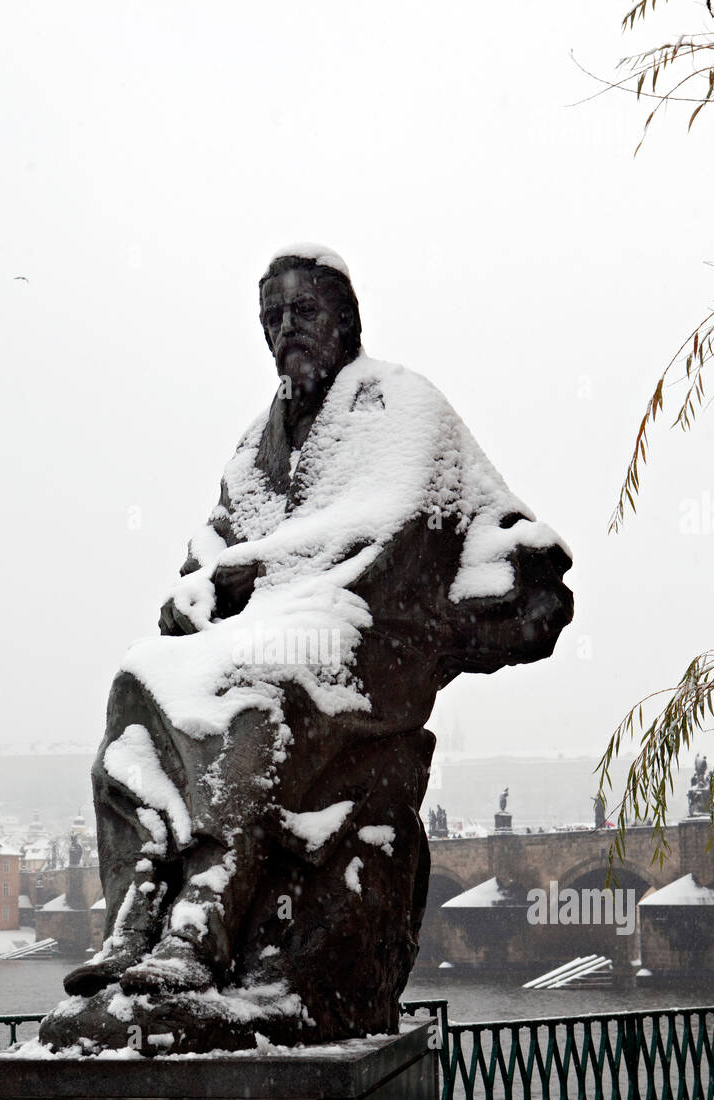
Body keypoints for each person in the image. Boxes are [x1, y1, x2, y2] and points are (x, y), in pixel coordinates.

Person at [53, 245, 573, 1044]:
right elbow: (215, 538)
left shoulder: (399, 406)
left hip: (363, 643)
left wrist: (245, 571)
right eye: (272, 318)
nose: (285, 330)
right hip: (269, 630)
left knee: (258, 685)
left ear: (344, 319)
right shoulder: (255, 442)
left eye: (302, 312)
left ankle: (204, 924)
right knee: (139, 679)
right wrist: (199, 582)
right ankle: (143, 904)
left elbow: (384, 525)